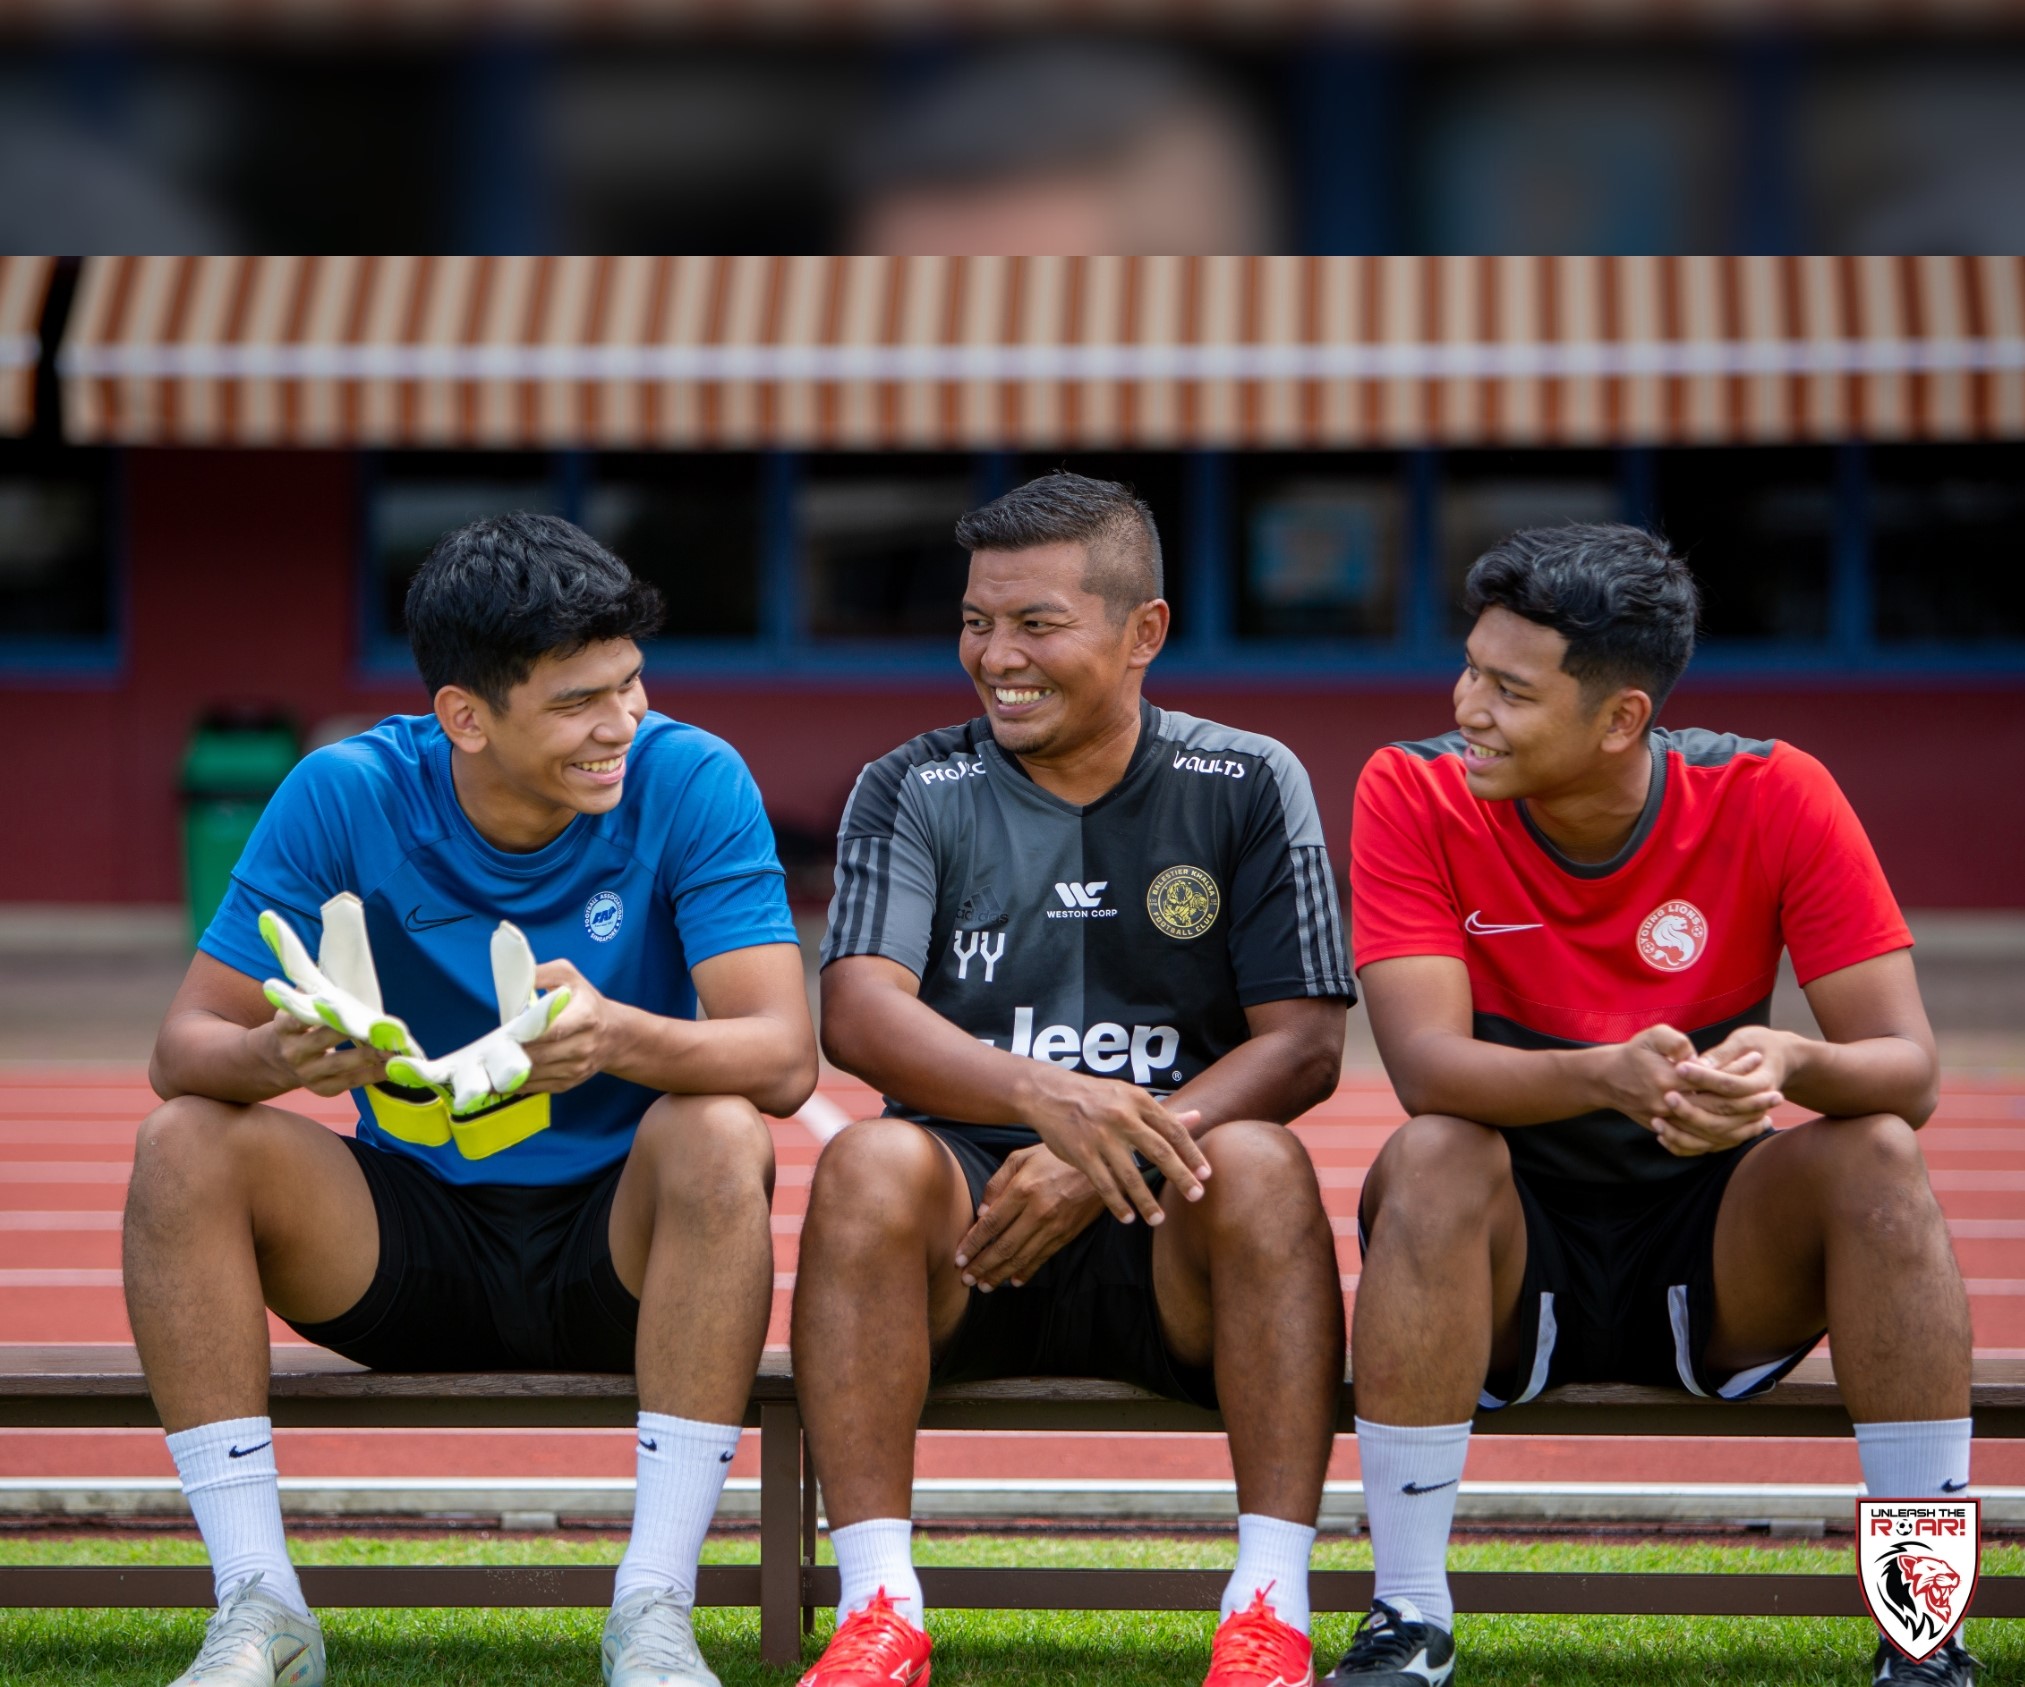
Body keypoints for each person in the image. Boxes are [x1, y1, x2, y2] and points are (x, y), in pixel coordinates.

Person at [125, 512, 817, 1687]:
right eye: (578, 702)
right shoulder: (344, 791)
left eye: (631, 683)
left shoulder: (692, 778)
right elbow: (184, 1046)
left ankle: (651, 1611)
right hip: (407, 1234)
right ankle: (261, 1602)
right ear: (465, 716)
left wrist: (619, 1037)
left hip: (620, 1248)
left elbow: (783, 1058)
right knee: (184, 1142)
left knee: (716, 1130)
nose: (622, 724)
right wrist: (282, 1059)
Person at [1336, 523, 1976, 1687]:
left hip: (1715, 1245)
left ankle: (1924, 1634)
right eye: (1471, 667)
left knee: (1877, 1152)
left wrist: (1784, 1059)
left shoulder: (1775, 791)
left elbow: (1908, 1069)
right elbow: (1426, 1065)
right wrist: (1603, 1073)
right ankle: (1409, 1620)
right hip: (1504, 1249)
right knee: (1429, 1151)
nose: (1467, 704)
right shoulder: (1414, 790)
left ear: (1621, 717)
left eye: (1509, 688)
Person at [793, 471, 1352, 1687]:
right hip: (969, 1235)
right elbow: (858, 1013)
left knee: (1261, 1160)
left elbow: (1307, 1044)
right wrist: (1047, 1098)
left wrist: (1113, 1152)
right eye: (977, 621)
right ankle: (879, 1612)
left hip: (1176, 1231)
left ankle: (1269, 1613)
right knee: (866, 1159)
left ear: (1143, 631)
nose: (997, 657)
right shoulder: (912, 783)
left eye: (1036, 623)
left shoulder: (1251, 781)